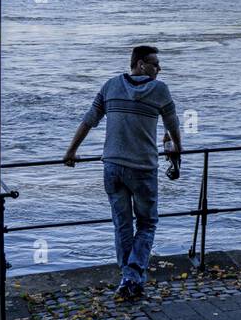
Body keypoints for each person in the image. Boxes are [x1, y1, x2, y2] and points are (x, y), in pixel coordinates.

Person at [63, 45, 181, 301]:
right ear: (140, 64)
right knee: (147, 222)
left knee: (122, 224)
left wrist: (71, 151)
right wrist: (177, 151)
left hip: (112, 167)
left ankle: (127, 279)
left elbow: (89, 120)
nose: (159, 69)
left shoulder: (110, 86)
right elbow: (173, 123)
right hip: (142, 168)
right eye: (155, 64)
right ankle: (132, 276)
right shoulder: (159, 90)